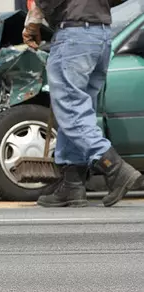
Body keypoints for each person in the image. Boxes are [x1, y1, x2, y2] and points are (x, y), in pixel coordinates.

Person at [22, 0, 143, 208]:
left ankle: (113, 167)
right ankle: (72, 184)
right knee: (78, 111)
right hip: (101, 35)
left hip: (74, 34)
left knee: (71, 111)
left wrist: (34, 20)